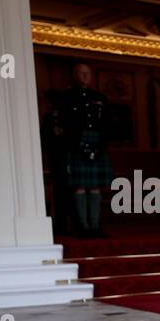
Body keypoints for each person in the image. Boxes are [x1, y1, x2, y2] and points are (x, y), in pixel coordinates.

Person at [59, 62, 113, 238]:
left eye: (87, 73)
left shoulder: (99, 97)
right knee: (80, 187)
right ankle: (83, 227)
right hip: (76, 141)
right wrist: (76, 146)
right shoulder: (67, 97)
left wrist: (101, 145)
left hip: (97, 140)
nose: (84, 76)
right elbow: (64, 123)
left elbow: (106, 123)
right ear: (75, 75)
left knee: (95, 187)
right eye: (81, 73)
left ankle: (96, 226)